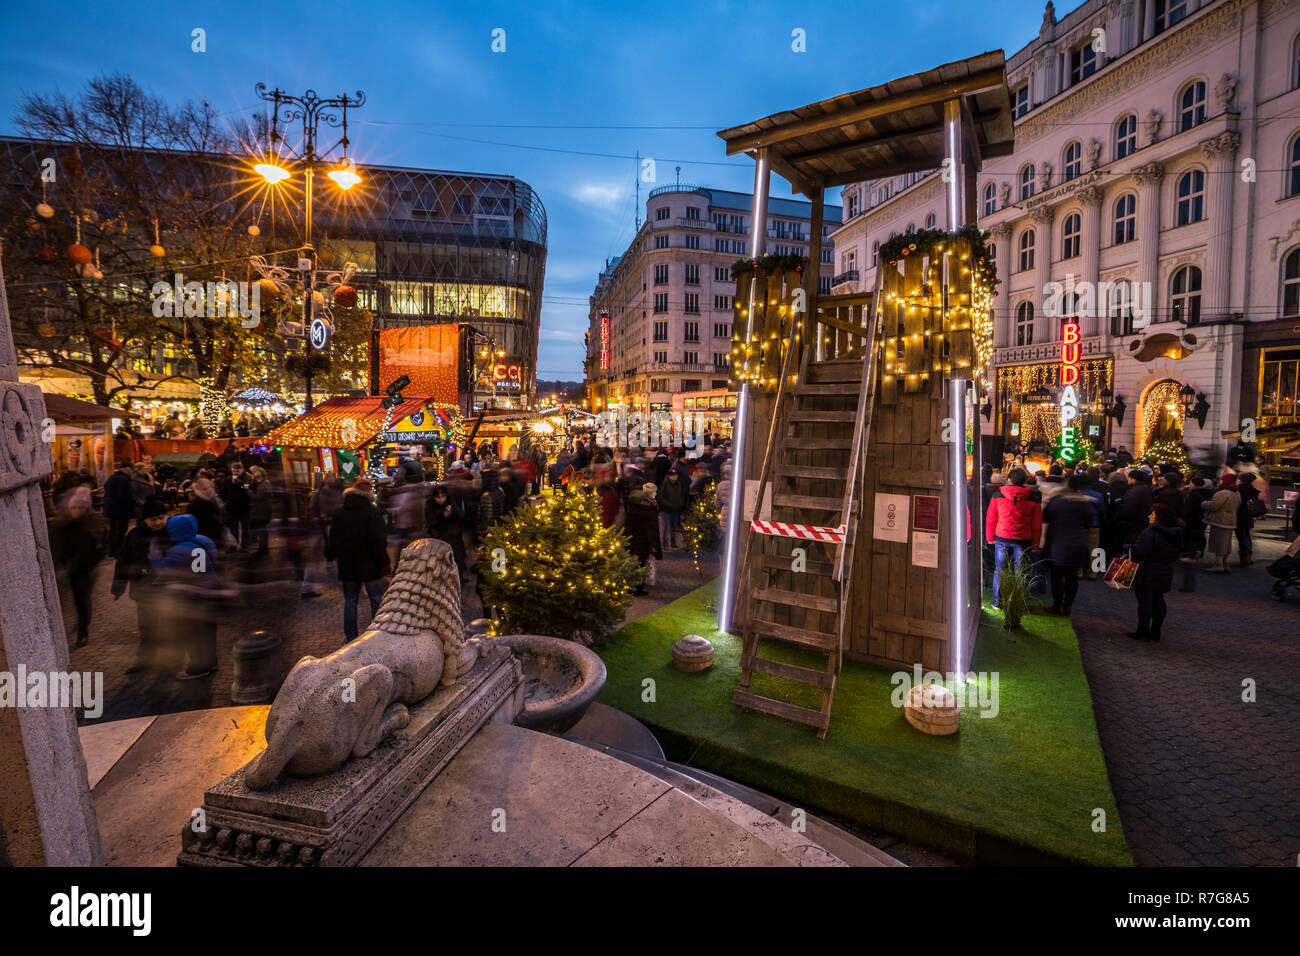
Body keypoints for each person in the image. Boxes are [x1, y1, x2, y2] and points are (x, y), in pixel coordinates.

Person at [151, 512, 222, 679]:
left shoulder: (179, 550)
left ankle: (197, 667)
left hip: (193, 596)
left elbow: (164, 571)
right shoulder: (205, 541)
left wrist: (154, 555)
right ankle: (211, 661)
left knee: (192, 632)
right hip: (212, 591)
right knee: (209, 630)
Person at [326, 478, 390, 644]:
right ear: (367, 493)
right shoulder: (372, 512)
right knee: (376, 599)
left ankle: (350, 638)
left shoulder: (340, 513)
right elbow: (378, 540)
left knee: (350, 601)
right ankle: (377, 637)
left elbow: (332, 538)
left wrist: (331, 556)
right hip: (370, 564)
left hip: (348, 564)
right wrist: (384, 562)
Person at [112, 499, 169, 672]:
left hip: (167, 590)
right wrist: (118, 586)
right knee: (147, 627)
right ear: (145, 519)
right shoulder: (134, 534)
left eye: (161, 517)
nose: (158, 522)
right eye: (153, 519)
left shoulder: (172, 533)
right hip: (143, 591)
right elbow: (123, 560)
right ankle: (145, 660)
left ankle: (171, 661)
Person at [49, 487, 107, 647]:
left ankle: (83, 630)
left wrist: (89, 563)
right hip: (70, 569)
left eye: (80, 508)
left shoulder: (94, 523)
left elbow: (101, 548)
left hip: (86, 570)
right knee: (73, 600)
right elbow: (57, 545)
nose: (76, 511)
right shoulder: (63, 524)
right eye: (73, 507)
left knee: (83, 600)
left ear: (86, 508)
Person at [985, 467, 1042, 610]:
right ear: (1024, 481)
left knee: (1000, 569)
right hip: (1023, 539)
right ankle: (1018, 602)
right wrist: (1035, 544)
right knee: (1020, 571)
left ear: (1009, 479)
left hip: (1002, 536)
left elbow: (991, 518)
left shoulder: (998, 494)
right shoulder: (1033, 497)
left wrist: (989, 536)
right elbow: (1037, 525)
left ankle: (997, 601)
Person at [1129, 502, 1183, 642]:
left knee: (1144, 601)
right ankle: (1156, 631)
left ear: (1158, 516)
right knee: (1158, 599)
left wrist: (1130, 548)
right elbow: (1177, 552)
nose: (1149, 516)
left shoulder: (1150, 532)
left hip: (1147, 570)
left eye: (1152, 514)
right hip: (1165, 569)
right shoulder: (1176, 532)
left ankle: (1142, 630)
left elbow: (1141, 551)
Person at [1042, 475, 1096, 615]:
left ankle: (1057, 605)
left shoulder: (1057, 501)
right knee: (1072, 577)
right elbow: (1089, 523)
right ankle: (1068, 606)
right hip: (1077, 544)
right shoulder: (1085, 503)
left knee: (1056, 576)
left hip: (1057, 544)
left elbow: (1045, 516)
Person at [624, 482, 662, 595]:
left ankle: (631, 586)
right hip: (642, 544)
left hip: (633, 542)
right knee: (639, 565)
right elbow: (652, 531)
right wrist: (654, 547)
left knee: (634, 564)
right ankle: (636, 589)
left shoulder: (632, 510)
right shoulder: (647, 513)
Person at [426, 483, 467, 582]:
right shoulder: (430, 506)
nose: (441, 499)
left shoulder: (451, 503)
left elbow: (461, 516)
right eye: (438, 497)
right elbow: (432, 523)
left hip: (454, 537)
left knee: (457, 558)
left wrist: (453, 513)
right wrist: (442, 516)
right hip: (440, 538)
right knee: (443, 560)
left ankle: (459, 578)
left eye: (443, 496)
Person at [1202, 474, 1240, 573]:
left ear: (1224, 482)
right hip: (1231, 520)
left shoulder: (1223, 493)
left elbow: (1214, 506)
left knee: (1218, 543)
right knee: (1226, 543)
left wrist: (1204, 503)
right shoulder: (1236, 493)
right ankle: (1225, 563)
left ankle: (1218, 564)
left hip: (1220, 520)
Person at [102, 460, 137, 557]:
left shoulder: (113, 477)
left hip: (111, 509)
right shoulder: (123, 479)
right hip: (121, 510)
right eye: (131, 470)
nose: (132, 472)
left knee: (113, 530)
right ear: (126, 469)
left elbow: (106, 487)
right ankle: (118, 551)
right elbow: (124, 496)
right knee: (121, 531)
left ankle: (112, 551)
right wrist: (133, 503)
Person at [1114, 468, 1154, 548]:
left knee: (1132, 545)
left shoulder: (1134, 491)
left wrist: (1118, 517)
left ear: (1133, 479)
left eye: (1129, 477)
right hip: (1142, 521)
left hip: (1133, 523)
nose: (1127, 479)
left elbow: (1129, 509)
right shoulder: (1145, 488)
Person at [187, 477, 227, 546]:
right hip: (208, 535)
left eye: (209, 488)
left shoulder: (213, 500)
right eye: (204, 489)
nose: (208, 490)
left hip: (212, 534)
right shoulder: (197, 503)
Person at [1182, 474, 1214, 560]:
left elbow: (1189, 507)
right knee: (1200, 534)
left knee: (1192, 535)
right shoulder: (1209, 493)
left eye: (1190, 483)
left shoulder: (1194, 494)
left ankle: (1191, 554)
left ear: (1194, 484)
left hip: (1193, 518)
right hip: (1203, 517)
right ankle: (1199, 551)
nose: (1189, 485)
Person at [245, 466, 274, 555]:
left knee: (261, 530)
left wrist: (248, 491)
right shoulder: (264, 483)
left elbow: (258, 497)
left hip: (261, 510)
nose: (250, 476)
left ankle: (263, 549)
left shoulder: (263, 485)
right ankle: (263, 548)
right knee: (262, 530)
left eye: (252, 474)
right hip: (262, 510)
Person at [1235, 472, 1262, 567]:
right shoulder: (1254, 490)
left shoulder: (1240, 490)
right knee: (1246, 535)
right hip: (1249, 516)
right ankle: (1248, 557)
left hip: (1240, 516)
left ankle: (1244, 558)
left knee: (1241, 537)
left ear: (1242, 480)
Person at [657, 469, 687, 552]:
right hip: (665, 510)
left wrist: (679, 504)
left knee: (673, 528)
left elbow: (681, 496)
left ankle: (672, 544)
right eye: (672, 475)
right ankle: (663, 546)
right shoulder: (664, 484)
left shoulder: (678, 484)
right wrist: (669, 505)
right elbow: (661, 497)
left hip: (675, 510)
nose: (674, 477)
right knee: (665, 528)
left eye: (675, 475)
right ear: (669, 476)